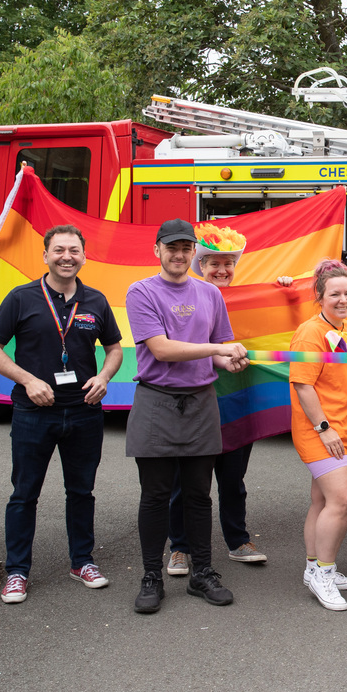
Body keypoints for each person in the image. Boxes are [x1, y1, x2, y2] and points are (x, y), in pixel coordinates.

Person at [0, 225, 124, 604]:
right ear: (45, 255)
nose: (66, 256)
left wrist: (105, 376)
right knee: (24, 494)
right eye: (59, 250)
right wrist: (28, 380)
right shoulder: (22, 298)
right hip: (34, 413)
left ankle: (82, 562)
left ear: (83, 256)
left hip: (84, 412)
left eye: (74, 250)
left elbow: (114, 349)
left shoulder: (95, 301)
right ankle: (17, 572)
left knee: (81, 492)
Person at [125, 219, 249, 614]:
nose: (179, 255)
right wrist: (218, 348)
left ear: (194, 251)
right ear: (157, 250)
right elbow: (161, 350)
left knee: (198, 495)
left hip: (200, 402)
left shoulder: (210, 293)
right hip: (157, 401)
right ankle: (151, 577)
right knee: (156, 496)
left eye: (186, 248)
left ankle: (203, 573)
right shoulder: (141, 291)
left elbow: (217, 347)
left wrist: (228, 359)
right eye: (172, 248)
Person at [165, 225, 267, 577]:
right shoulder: (188, 299)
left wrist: (285, 289)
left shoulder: (253, 300)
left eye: (228, 264)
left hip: (238, 403)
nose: (222, 270)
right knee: (186, 482)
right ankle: (179, 548)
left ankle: (238, 541)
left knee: (233, 480)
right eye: (214, 264)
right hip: (193, 403)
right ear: (200, 265)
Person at [289, 260, 347, 611]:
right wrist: (324, 428)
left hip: (346, 428)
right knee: (343, 501)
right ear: (319, 297)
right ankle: (324, 572)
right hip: (321, 431)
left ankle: (313, 567)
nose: (343, 299)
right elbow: (303, 385)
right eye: (335, 294)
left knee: (322, 501)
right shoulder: (310, 332)